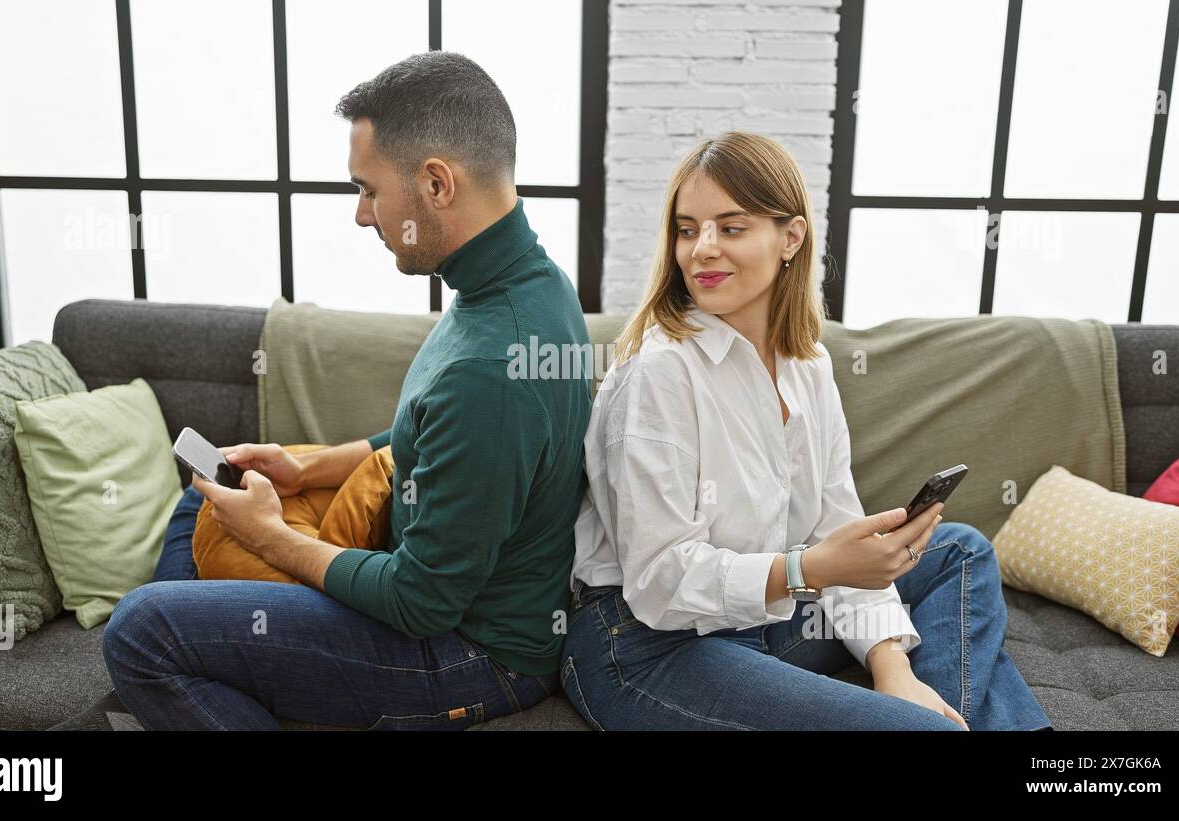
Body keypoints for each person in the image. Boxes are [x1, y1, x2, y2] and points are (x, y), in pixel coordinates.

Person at [78, 52, 592, 730]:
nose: (360, 215)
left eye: (369, 189)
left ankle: (171, 687)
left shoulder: (494, 366)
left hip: (469, 653)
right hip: (432, 598)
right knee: (202, 491)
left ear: (437, 183)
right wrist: (307, 466)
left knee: (141, 630)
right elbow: (428, 433)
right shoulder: (519, 282)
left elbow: (421, 602)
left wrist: (274, 538)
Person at [560, 131, 1053, 731]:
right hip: (644, 645)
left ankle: (938, 716)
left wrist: (892, 666)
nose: (701, 250)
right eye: (688, 229)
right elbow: (660, 581)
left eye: (731, 227)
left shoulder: (808, 365)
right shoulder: (659, 371)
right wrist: (810, 569)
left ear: (790, 238)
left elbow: (835, 526)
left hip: (765, 616)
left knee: (960, 552)